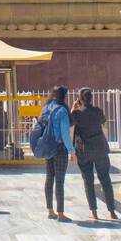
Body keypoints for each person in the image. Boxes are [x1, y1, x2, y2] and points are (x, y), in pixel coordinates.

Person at [71, 88, 117, 221]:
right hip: (100, 149)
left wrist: (73, 109)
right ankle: (112, 211)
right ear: (91, 98)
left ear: (79, 99)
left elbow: (69, 122)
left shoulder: (77, 114)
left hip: (84, 152)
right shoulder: (97, 111)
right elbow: (103, 121)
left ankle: (94, 212)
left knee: (88, 181)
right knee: (105, 179)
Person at [40, 85, 75, 220]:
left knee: (49, 179)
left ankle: (50, 211)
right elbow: (65, 134)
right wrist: (72, 151)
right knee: (59, 181)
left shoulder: (46, 108)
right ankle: (61, 213)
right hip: (60, 148)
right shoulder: (61, 111)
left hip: (48, 147)